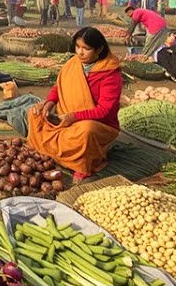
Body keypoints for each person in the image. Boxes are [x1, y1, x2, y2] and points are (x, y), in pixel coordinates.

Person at [25, 27, 123, 182]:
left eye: (86, 49)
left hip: (98, 123)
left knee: (86, 131)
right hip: (66, 117)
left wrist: (73, 117)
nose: (80, 52)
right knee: (35, 113)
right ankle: (46, 151)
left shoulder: (110, 74)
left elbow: (104, 110)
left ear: (99, 49)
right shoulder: (73, 64)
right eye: (78, 47)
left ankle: (80, 165)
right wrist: (49, 103)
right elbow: (59, 87)